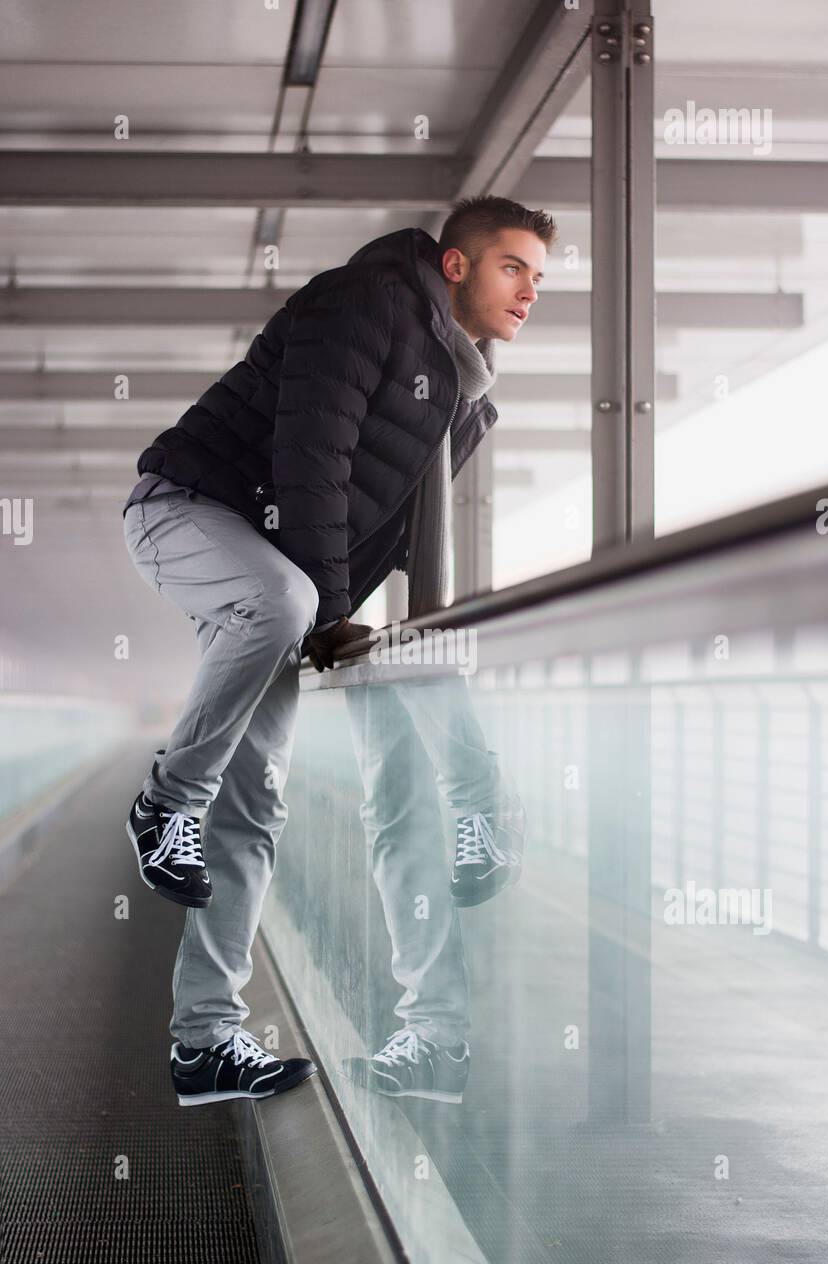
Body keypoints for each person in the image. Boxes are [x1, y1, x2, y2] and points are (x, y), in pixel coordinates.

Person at [122, 194, 556, 1106]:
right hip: (189, 513)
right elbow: (308, 458)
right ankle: (166, 801)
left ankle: (204, 1042)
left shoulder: (468, 400)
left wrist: (367, 643)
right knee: (282, 603)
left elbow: (405, 550)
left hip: (278, 590)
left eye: (540, 278)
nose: (530, 292)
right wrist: (325, 618)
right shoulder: (365, 303)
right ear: (457, 265)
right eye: (514, 268)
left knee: (255, 800)